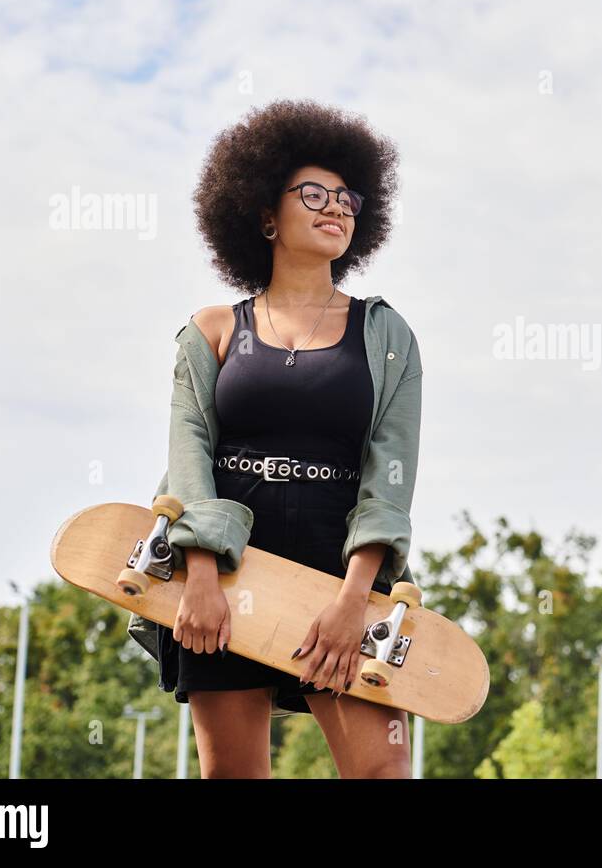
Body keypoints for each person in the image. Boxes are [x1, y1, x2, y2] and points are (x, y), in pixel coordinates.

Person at [156, 99, 421, 778]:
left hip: (344, 569)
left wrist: (353, 600)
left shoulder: (387, 337)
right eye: (313, 193)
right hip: (227, 565)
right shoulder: (211, 330)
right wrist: (203, 577)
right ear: (265, 214)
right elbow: (188, 457)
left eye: (346, 197)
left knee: (382, 772)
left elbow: (390, 476)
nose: (335, 206)